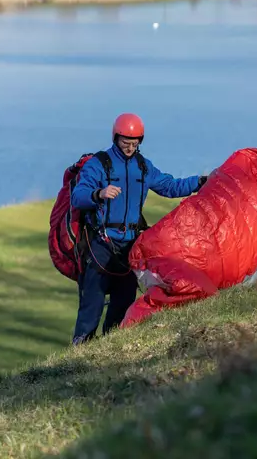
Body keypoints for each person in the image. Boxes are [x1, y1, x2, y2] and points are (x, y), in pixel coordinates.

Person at [69, 112, 208, 345]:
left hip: (131, 247)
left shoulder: (143, 167)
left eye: (135, 143)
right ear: (115, 137)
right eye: (125, 142)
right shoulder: (99, 165)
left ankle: (108, 349)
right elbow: (78, 197)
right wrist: (99, 194)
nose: (130, 148)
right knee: (91, 305)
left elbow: (170, 186)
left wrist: (201, 181)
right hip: (101, 246)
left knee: (123, 304)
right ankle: (78, 351)